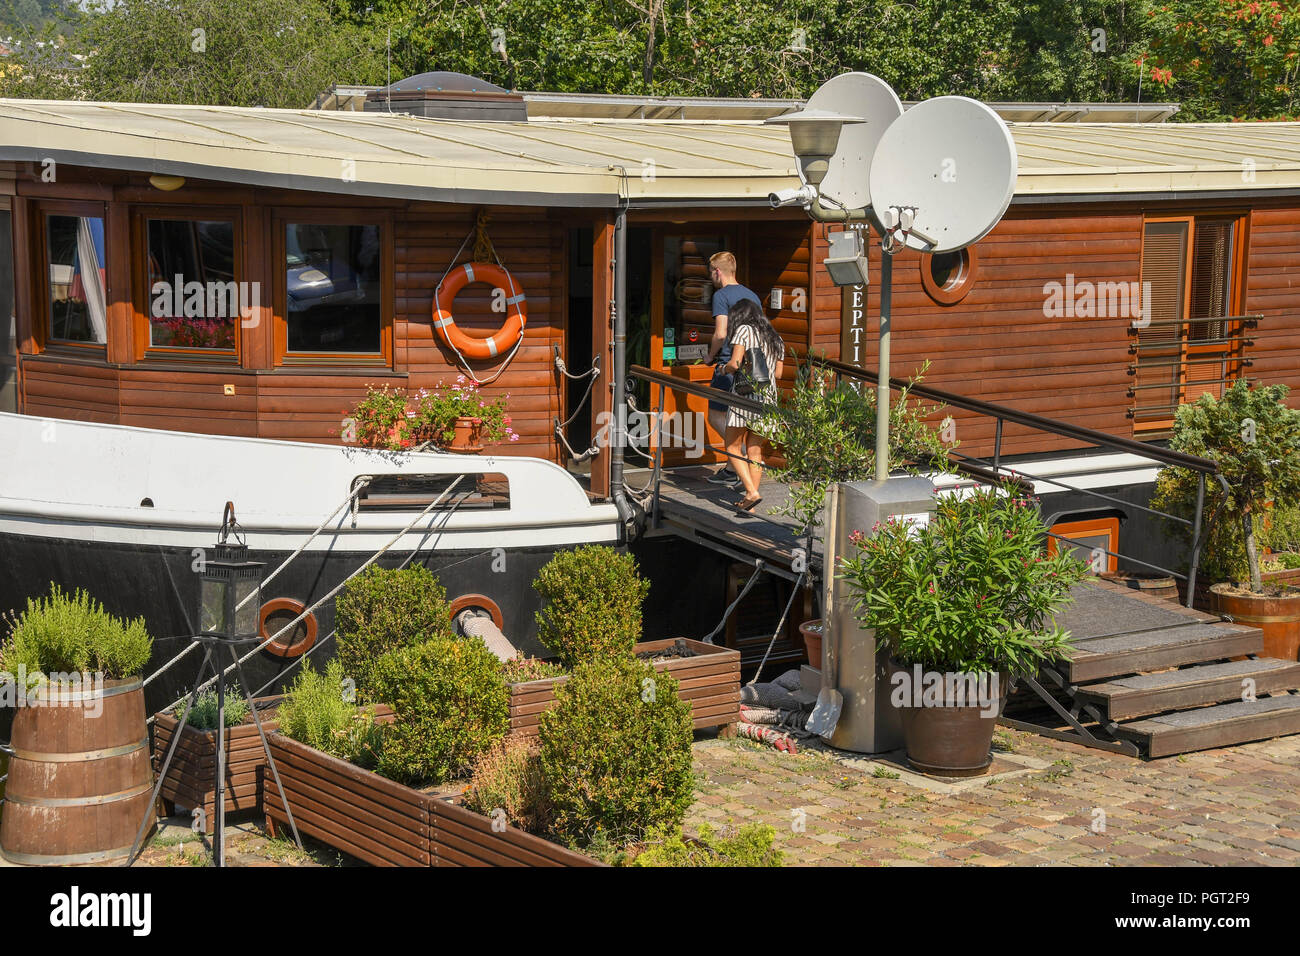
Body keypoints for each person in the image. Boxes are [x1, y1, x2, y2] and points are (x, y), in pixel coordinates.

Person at [702, 251, 761, 487]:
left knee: (716, 415)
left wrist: (709, 355)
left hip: (728, 364)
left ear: (718, 272)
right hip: (750, 365)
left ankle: (740, 457)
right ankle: (730, 469)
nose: (711, 277)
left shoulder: (721, 295)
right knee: (737, 417)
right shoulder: (752, 296)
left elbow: (721, 333)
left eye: (711, 272)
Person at [722, 298, 785, 512]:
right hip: (768, 399)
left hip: (744, 396)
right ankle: (749, 505)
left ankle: (751, 492)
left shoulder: (744, 330)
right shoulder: (775, 336)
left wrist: (723, 369)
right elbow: (778, 374)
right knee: (755, 451)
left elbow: (735, 364)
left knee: (731, 446)